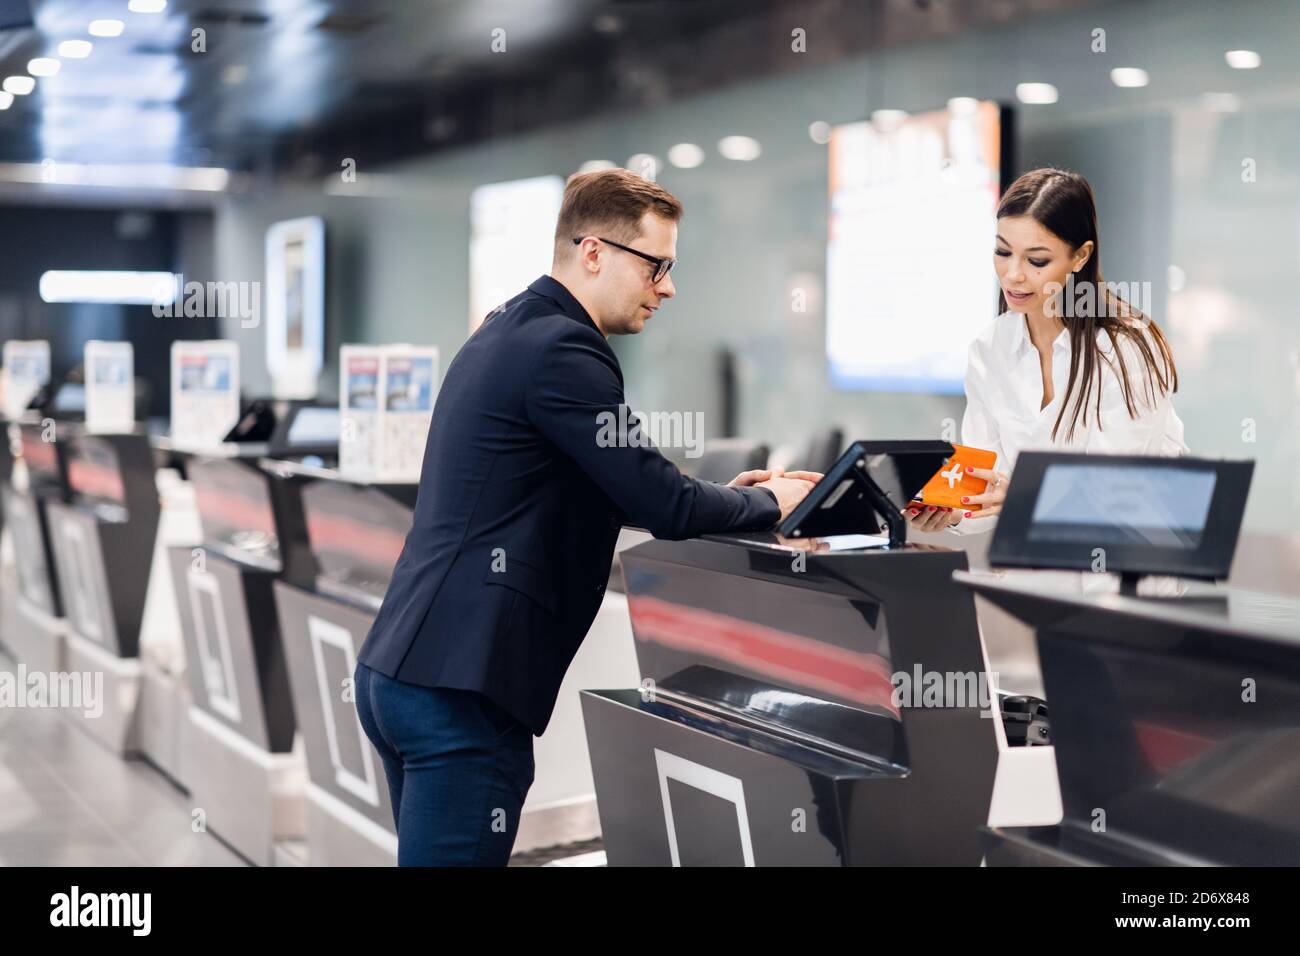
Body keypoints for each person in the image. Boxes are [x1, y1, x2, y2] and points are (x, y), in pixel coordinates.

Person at [353, 168, 820, 865]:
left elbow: (619, 484)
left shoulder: (509, 326)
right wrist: (774, 502)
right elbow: (662, 503)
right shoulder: (564, 352)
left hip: (407, 670)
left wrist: (727, 492)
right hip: (461, 693)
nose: (667, 287)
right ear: (594, 252)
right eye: (656, 266)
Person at [906, 167, 1187, 535]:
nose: (1013, 275)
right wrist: (951, 511)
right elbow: (989, 488)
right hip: (1029, 574)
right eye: (1002, 252)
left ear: (1081, 257)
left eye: (1036, 260)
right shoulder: (989, 350)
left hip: (1120, 578)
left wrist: (1025, 496)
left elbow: (1119, 493)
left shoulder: (1126, 348)